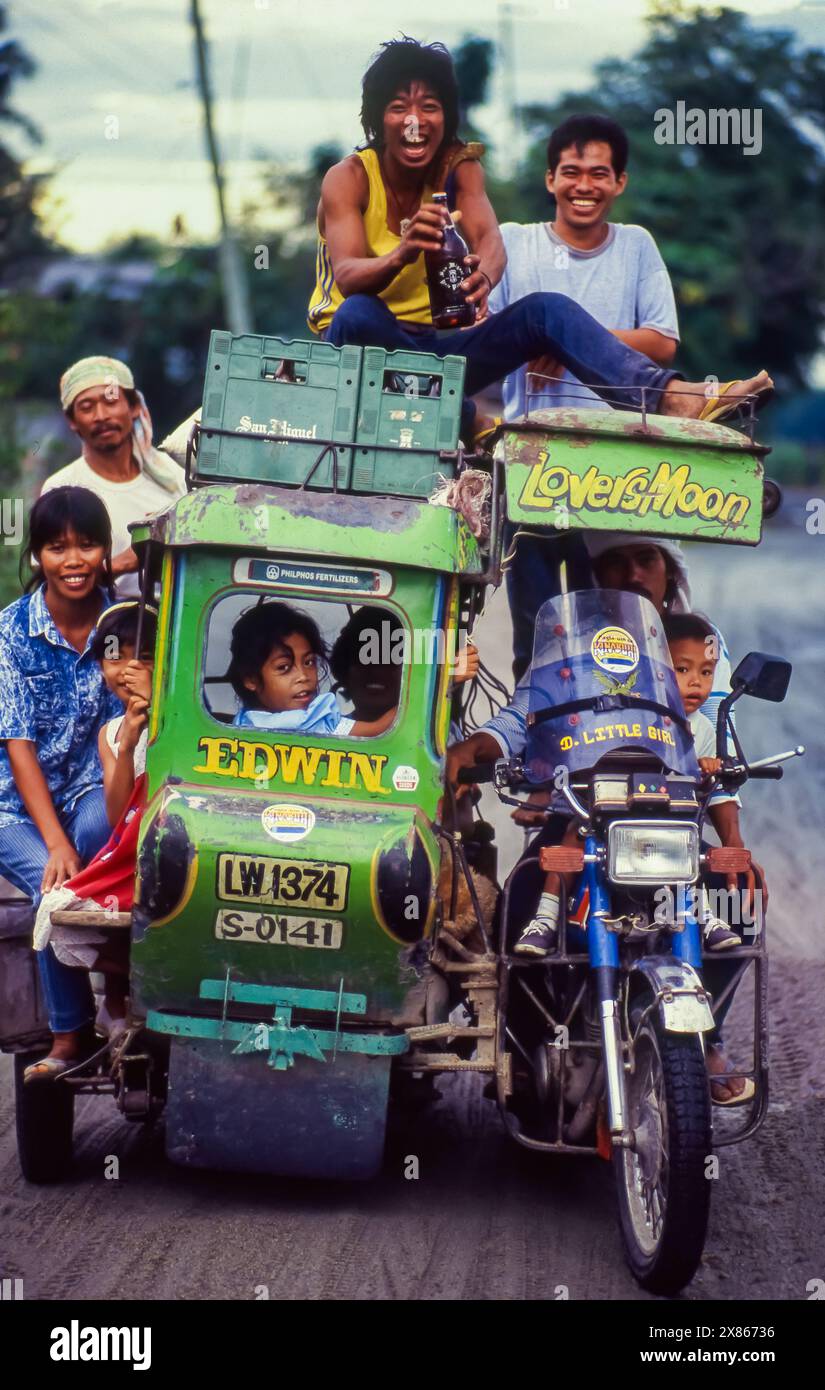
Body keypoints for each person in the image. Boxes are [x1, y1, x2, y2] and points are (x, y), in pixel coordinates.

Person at [316, 39, 772, 437]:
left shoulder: (460, 168)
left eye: (429, 107)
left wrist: (486, 279)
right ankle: (463, 416)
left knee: (545, 309)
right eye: (399, 107)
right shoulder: (349, 178)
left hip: (441, 356)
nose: (415, 121)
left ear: (446, 116)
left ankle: (673, 399)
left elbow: (490, 241)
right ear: (378, 117)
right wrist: (403, 253)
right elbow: (350, 276)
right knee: (360, 313)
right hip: (363, 348)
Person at [447, 531, 758, 1102]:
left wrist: (734, 839)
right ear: (595, 579)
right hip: (583, 814)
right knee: (521, 899)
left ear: (670, 572)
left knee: (744, 896)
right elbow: (527, 711)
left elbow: (720, 733)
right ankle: (527, 1047)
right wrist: (481, 747)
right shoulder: (571, 644)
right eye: (615, 564)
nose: (633, 574)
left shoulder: (700, 644)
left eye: (647, 560)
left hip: (672, 824)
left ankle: (706, 1034)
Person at [487, 114, 681, 674]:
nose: (584, 186)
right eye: (571, 172)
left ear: (619, 182)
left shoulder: (636, 246)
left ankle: (628, 735)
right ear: (550, 179)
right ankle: (538, 750)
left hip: (619, 465)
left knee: (625, 625)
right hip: (532, 462)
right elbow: (489, 335)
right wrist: (534, 338)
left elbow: (663, 341)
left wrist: (567, 339)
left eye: (600, 174)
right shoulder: (514, 244)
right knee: (538, 627)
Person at [513, 610, 740, 958]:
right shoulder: (626, 713)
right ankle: (546, 917)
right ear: (654, 670)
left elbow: (710, 781)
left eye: (706, 673)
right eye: (682, 670)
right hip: (606, 814)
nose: (696, 682)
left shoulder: (703, 729)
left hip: (670, 819)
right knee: (574, 837)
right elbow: (584, 749)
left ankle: (704, 914)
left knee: (692, 851)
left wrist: (708, 768)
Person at [0, 488, 121, 1079]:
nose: (73, 560)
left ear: (105, 552)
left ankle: (122, 999)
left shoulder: (123, 623)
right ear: (35, 558)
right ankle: (72, 1033)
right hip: (12, 807)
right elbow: (17, 744)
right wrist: (54, 843)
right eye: (56, 547)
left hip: (90, 787)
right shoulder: (11, 632)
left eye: (87, 544)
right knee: (57, 892)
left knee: (108, 832)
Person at [32, 601, 156, 1044]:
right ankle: (114, 1005)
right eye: (114, 657)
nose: (126, 669)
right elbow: (118, 812)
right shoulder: (112, 733)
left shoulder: (181, 717)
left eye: (142, 657)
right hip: (131, 852)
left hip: (168, 854)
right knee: (59, 908)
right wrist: (130, 745)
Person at [42, 356, 186, 597]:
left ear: (134, 407)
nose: (101, 416)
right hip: (100, 624)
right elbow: (52, 579)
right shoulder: (61, 489)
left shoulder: (175, 479)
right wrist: (121, 563)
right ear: (72, 421)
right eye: (87, 407)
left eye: (111, 401)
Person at [227, 602, 397, 737]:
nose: (303, 676)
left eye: (309, 662)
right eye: (284, 667)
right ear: (251, 679)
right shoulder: (305, 723)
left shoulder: (245, 720)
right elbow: (379, 728)